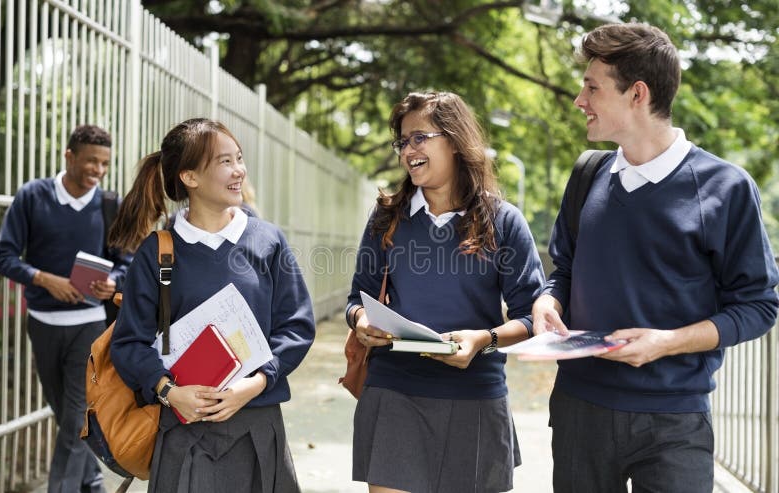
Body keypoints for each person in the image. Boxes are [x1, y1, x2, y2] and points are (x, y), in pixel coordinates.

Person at [532, 23, 779, 493]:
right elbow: (562, 272)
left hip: (674, 422)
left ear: (637, 94)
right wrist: (549, 302)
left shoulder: (725, 188)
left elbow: (758, 307)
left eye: (592, 87)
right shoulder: (587, 175)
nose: (579, 100)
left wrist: (667, 342)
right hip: (579, 410)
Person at [346, 91, 545, 493]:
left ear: (454, 141)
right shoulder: (387, 216)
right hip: (394, 390)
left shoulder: (503, 221)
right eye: (402, 142)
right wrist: (362, 321)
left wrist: (484, 340)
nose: (408, 151)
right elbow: (357, 298)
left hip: (475, 396)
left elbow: (531, 319)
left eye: (419, 138)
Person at [107, 118, 315, 492]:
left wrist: (256, 383)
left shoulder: (268, 241)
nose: (240, 171)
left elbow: (297, 326)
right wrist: (168, 391)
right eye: (225, 162)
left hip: (257, 422)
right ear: (190, 177)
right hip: (184, 429)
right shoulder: (157, 251)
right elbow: (129, 342)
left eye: (239, 158)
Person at [0, 124, 131, 493]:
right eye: (90, 162)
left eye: (104, 164)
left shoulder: (109, 205)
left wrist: (114, 281)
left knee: (74, 420)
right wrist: (43, 278)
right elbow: (3, 257)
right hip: (42, 324)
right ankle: (92, 481)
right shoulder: (33, 196)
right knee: (67, 416)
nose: (98, 171)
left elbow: (126, 261)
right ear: (69, 156)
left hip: (90, 327)